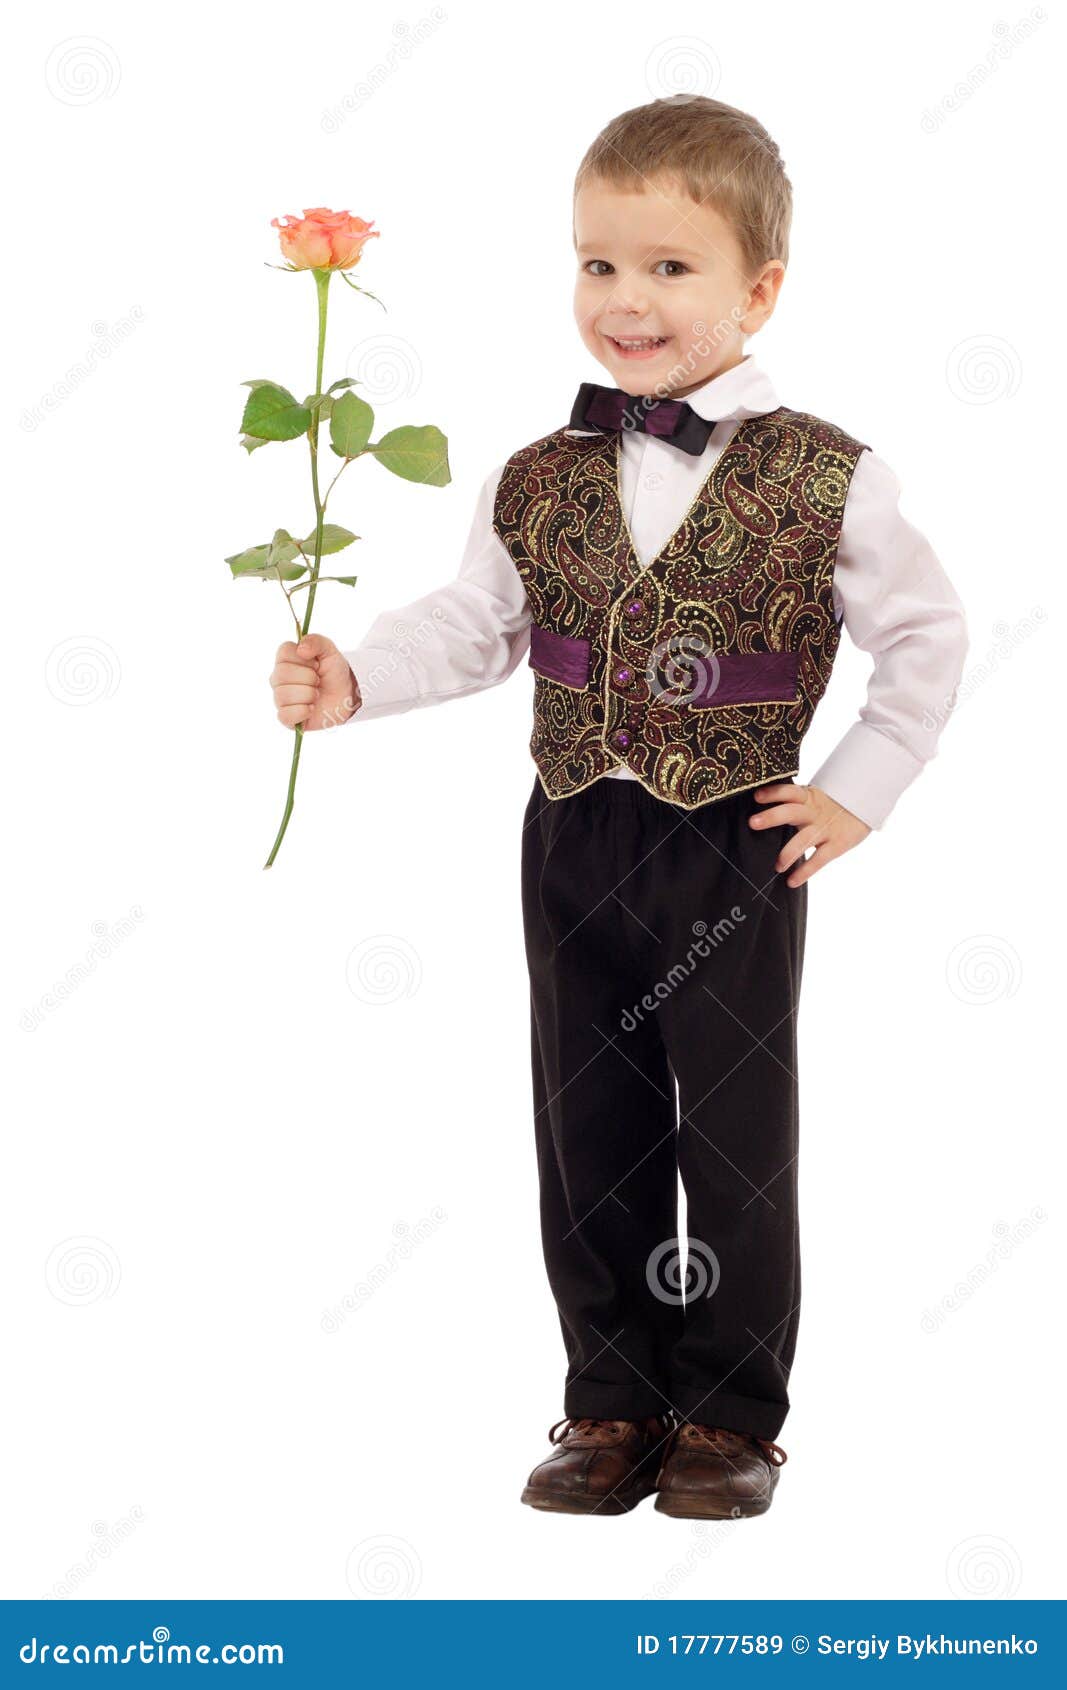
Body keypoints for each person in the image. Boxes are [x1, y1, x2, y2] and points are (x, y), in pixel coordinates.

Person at [268, 94, 968, 1520]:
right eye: (598, 264)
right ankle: (609, 1395)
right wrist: (354, 677)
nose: (626, 300)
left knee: (733, 1129)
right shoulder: (542, 473)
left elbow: (932, 638)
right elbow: (477, 625)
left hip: (733, 839)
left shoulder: (831, 472)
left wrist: (855, 793)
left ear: (758, 287)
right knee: (588, 1119)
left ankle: (729, 1413)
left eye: (668, 267)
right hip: (576, 828)